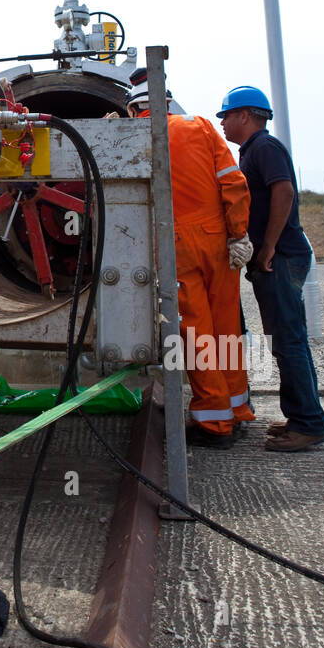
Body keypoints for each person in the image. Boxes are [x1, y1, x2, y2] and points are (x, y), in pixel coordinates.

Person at [125, 80, 255, 447]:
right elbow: (233, 182)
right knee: (227, 328)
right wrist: (238, 234)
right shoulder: (200, 125)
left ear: (135, 110)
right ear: (167, 103)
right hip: (218, 241)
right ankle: (237, 410)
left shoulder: (137, 136)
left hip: (175, 244)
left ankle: (215, 423)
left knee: (196, 334)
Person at [218, 86, 324, 452]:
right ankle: (303, 417)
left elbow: (283, 192)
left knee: (288, 342)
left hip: (280, 258)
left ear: (246, 116)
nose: (223, 124)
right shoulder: (255, 150)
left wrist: (267, 247)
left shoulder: (264, 148)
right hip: (278, 257)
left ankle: (309, 425)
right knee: (289, 340)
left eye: (227, 116)